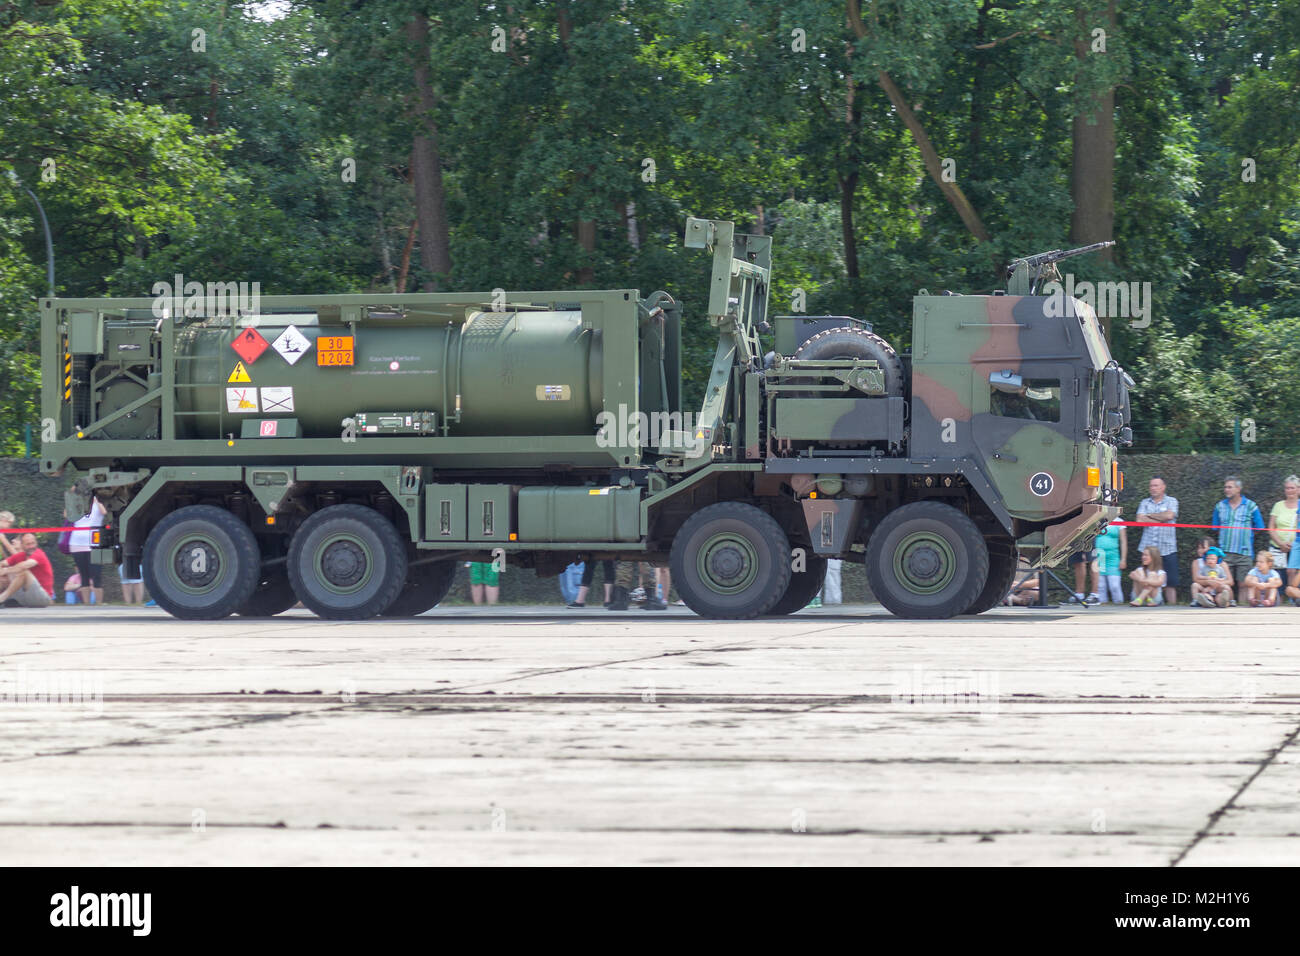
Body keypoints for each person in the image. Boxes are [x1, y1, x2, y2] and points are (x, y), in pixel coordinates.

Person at [1211, 476, 1265, 604]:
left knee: (1243, 584)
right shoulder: (1219, 506)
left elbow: (1259, 527)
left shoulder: (1251, 506)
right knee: (1224, 583)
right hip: (1224, 552)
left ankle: (1243, 611)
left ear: (1238, 489)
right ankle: (1226, 608)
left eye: (1230, 487)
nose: (1226, 490)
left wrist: (1246, 537)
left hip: (1244, 552)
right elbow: (1215, 527)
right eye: (1225, 487)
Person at [1135, 477, 1179, 606]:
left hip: (1168, 548)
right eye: (1151, 486)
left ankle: (1173, 608)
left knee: (1171, 582)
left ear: (1163, 487)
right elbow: (1139, 519)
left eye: (1156, 485)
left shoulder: (1172, 501)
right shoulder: (1144, 502)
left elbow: (1169, 516)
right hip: (1148, 550)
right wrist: (1161, 517)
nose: (1153, 488)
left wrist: (1149, 516)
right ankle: (1148, 603)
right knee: (1147, 579)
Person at [67, 496, 106, 605]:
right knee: (84, 574)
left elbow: (104, 512)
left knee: (96, 573)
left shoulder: (99, 502)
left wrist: (97, 500)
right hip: (76, 542)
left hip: (94, 541)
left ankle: (99, 603)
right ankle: (86, 603)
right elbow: (67, 515)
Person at [0, 533, 55, 607]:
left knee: (24, 572)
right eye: (28, 544)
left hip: (42, 598)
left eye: (33, 543)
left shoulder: (39, 554)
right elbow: (3, 563)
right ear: (22, 545)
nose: (31, 546)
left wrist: (6, 570)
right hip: (26, 596)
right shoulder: (20, 556)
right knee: (3, 577)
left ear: (36, 543)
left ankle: (2, 598)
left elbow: (24, 566)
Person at [1267, 475, 1300, 586]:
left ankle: (1292, 599)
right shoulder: (1278, 505)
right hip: (1277, 548)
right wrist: (1281, 543)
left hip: (1296, 546)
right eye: (1287, 488)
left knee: (1293, 573)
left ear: (1298, 489)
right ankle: (1278, 601)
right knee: (1277, 579)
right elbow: (1271, 527)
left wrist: (1293, 544)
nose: (1289, 490)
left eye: (1292, 488)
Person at [1094, 513, 1127, 604]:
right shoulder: (1096, 520)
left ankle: (1119, 605)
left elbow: (1123, 542)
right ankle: (1101, 606)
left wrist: (1123, 559)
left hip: (1113, 557)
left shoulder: (1119, 521)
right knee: (1100, 586)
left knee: (1115, 586)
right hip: (1099, 557)